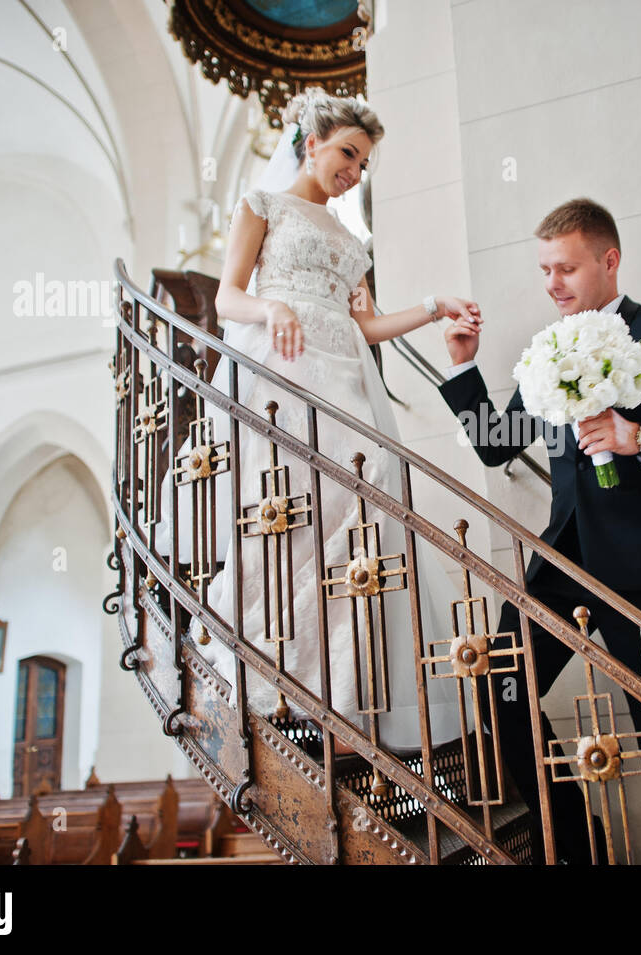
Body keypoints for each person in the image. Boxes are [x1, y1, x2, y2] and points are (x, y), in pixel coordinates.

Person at [158, 87, 482, 754]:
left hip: (345, 381)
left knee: (358, 511)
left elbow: (368, 325)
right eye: (348, 154)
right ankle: (260, 659)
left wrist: (433, 306)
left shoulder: (349, 239)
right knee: (287, 511)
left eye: (363, 163)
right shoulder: (262, 205)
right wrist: (271, 308)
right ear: (311, 143)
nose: (354, 171)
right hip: (285, 370)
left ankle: (337, 691)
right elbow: (228, 297)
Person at [438, 198, 641, 863]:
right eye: (545, 270)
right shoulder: (546, 348)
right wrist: (463, 366)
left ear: (609, 260)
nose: (553, 283)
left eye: (567, 268)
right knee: (501, 692)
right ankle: (579, 849)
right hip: (563, 562)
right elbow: (496, 443)